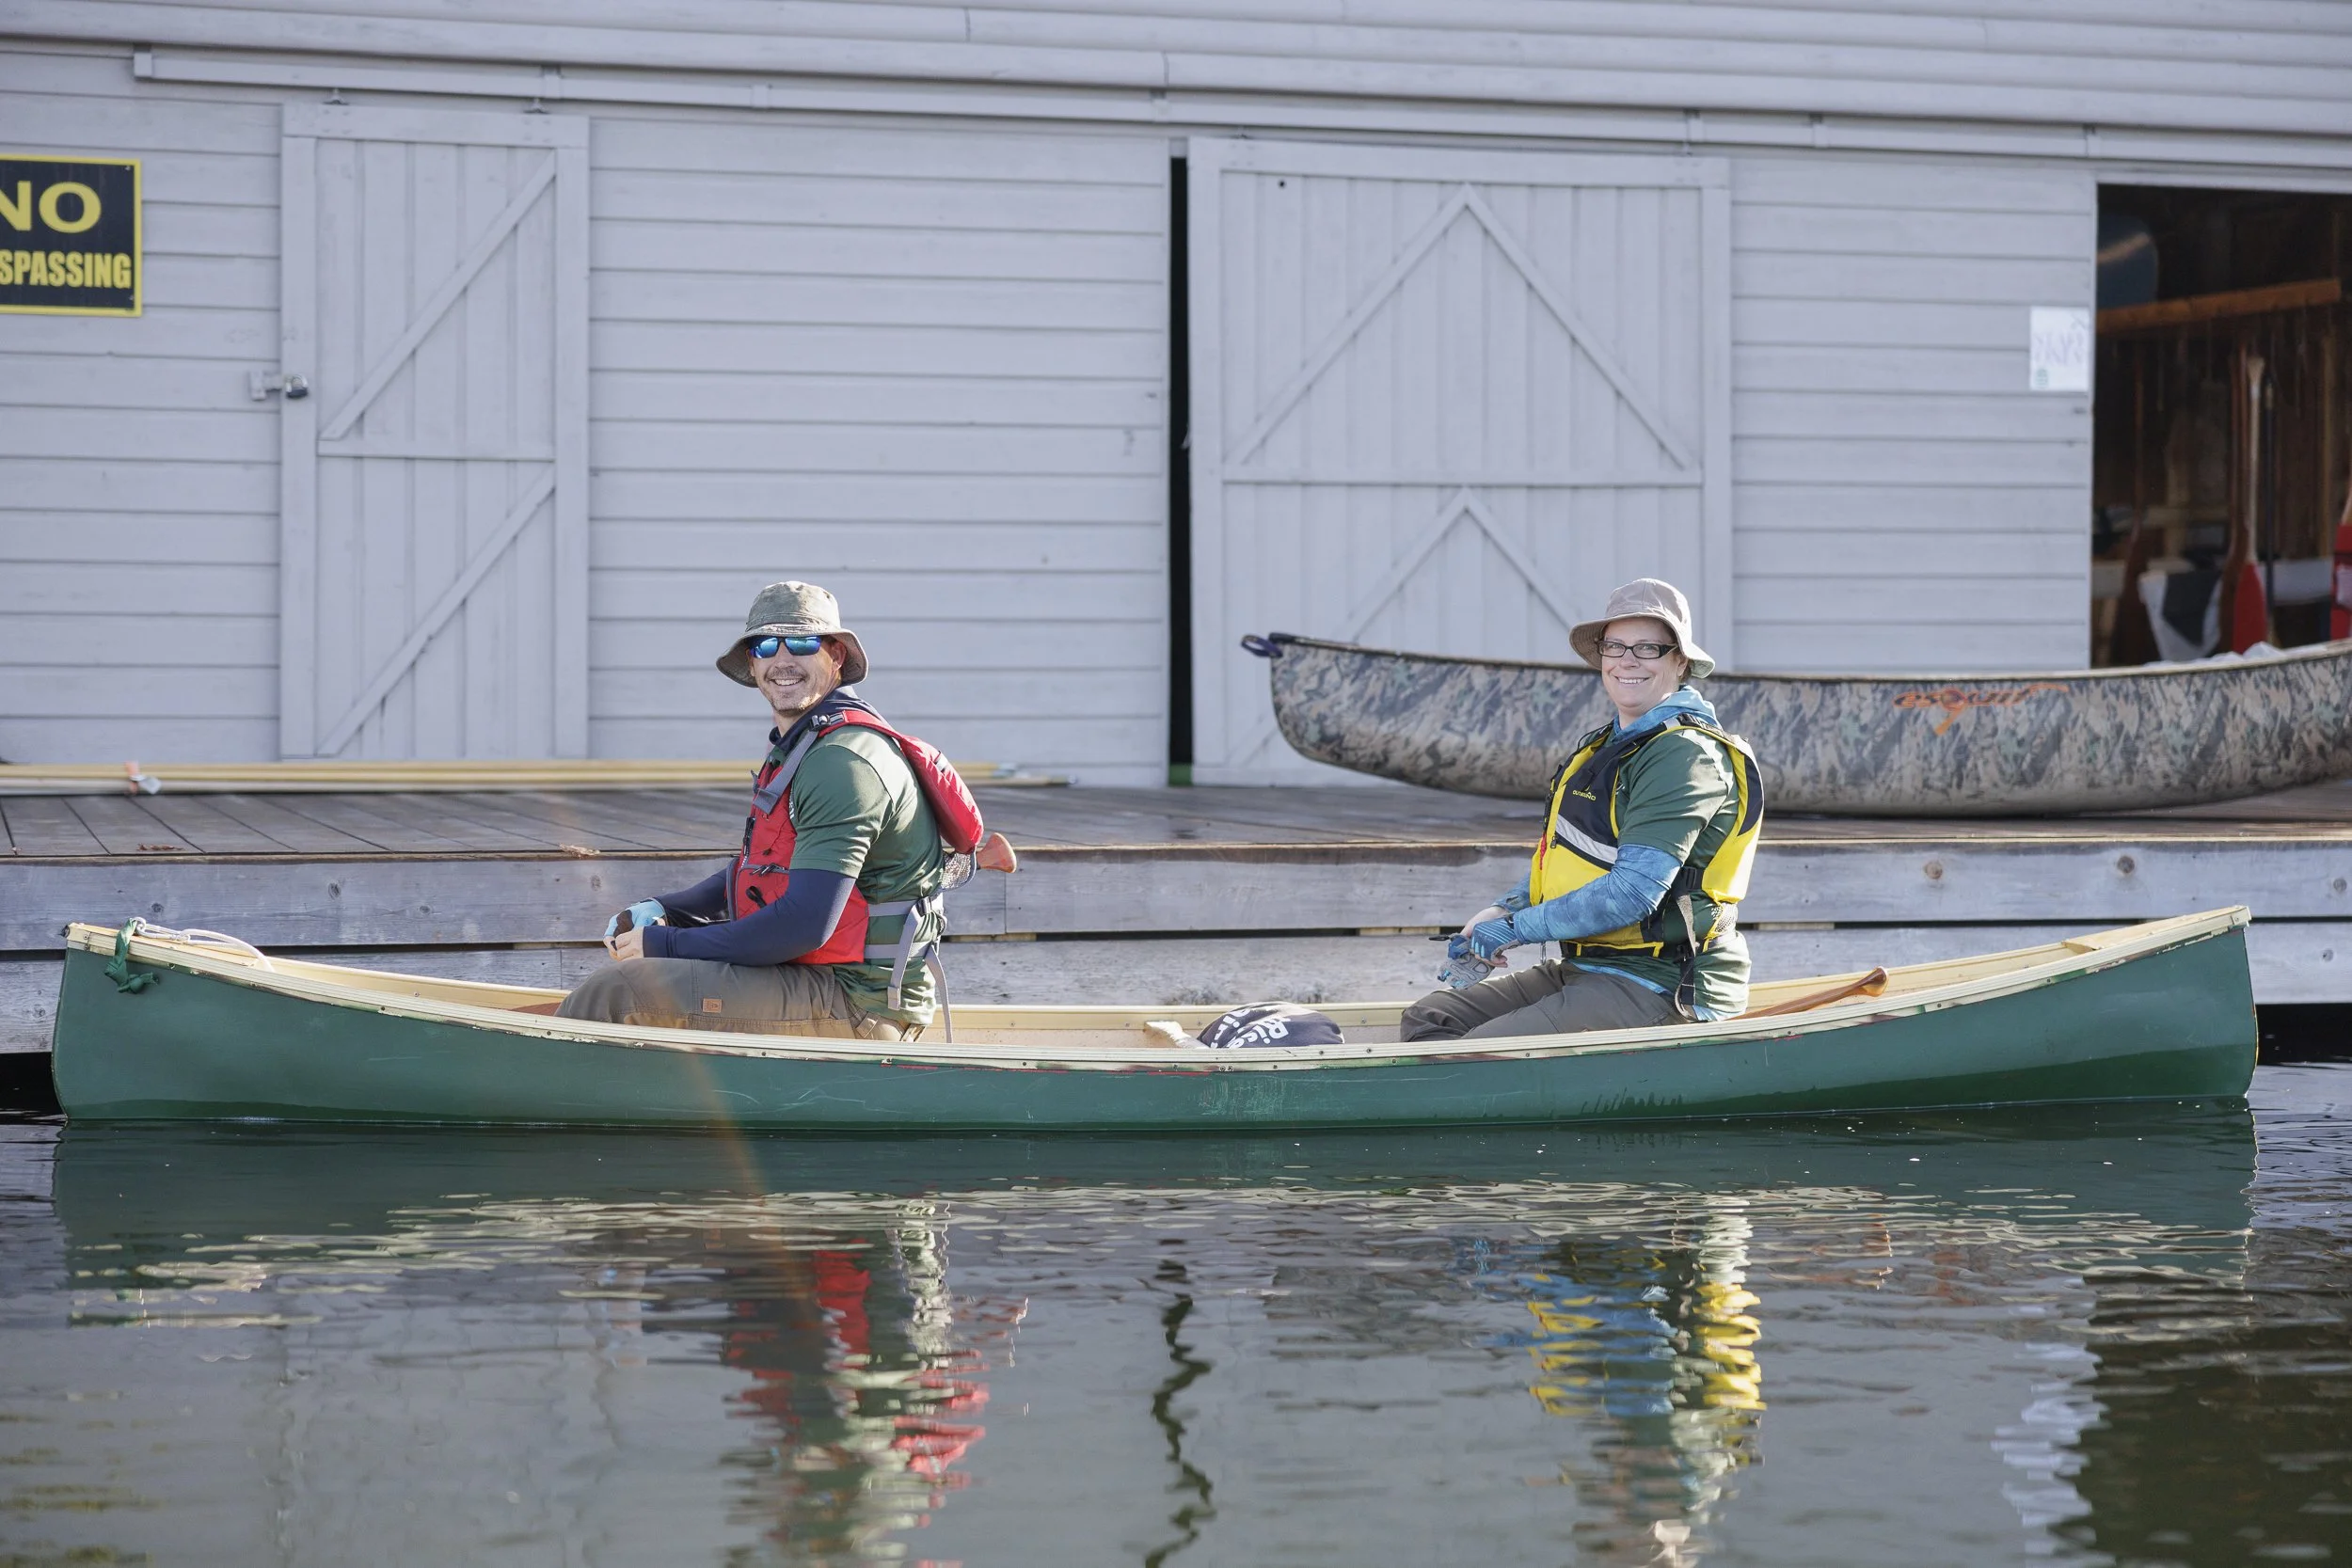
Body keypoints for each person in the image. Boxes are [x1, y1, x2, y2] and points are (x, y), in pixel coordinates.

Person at [558, 580, 981, 1041]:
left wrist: (664, 944)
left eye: (801, 642)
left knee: (619, 993)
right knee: (648, 968)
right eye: (765, 644)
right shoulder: (807, 745)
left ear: (835, 655)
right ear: (753, 662)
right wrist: (664, 909)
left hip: (859, 1004)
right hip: (824, 984)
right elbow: (764, 869)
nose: (782, 660)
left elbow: (803, 926)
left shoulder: (844, 763)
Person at [1400, 578, 1763, 1041]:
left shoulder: (1683, 755)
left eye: (1648, 647)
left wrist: (1516, 929)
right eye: (1615, 646)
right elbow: (1572, 857)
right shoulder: (1605, 748)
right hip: (1588, 966)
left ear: (1680, 661)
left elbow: (1633, 893)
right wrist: (1501, 910)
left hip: (1666, 984)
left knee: (1477, 1054)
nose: (1628, 660)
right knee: (1429, 1021)